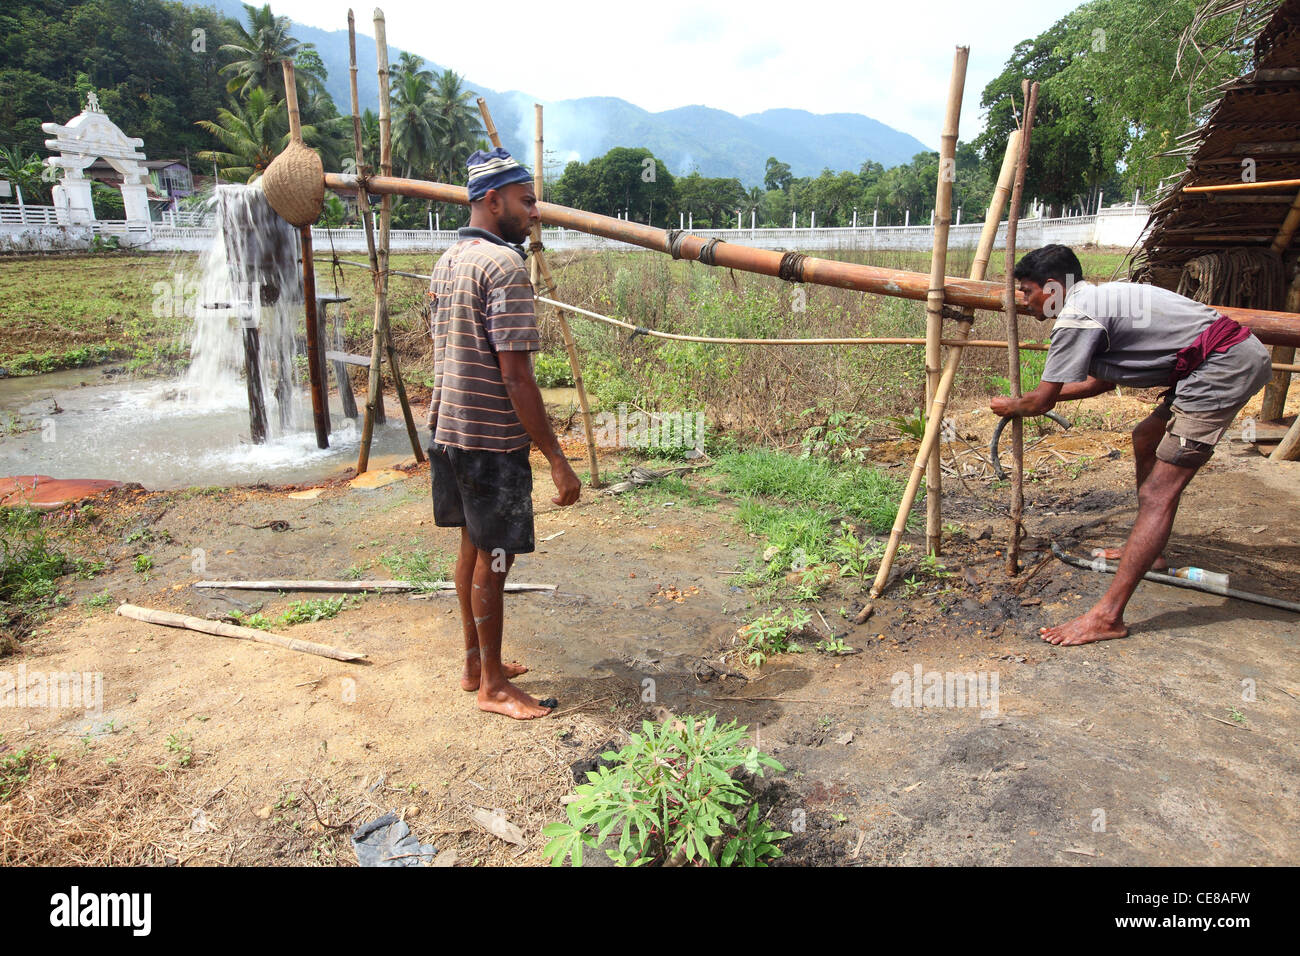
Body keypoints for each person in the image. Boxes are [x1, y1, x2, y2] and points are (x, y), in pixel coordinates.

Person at [989, 244, 1272, 646]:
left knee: (1161, 491)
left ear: (1052, 288)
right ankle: (1148, 551)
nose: (1023, 301)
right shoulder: (1097, 298)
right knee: (1146, 436)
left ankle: (1108, 617)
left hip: (1223, 366)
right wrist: (1029, 403)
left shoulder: (1078, 315)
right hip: (1211, 362)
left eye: (1026, 291)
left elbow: (1042, 401)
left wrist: (1013, 405)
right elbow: (1099, 383)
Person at [427, 147, 581, 719]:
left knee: (472, 545)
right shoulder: (505, 268)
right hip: (491, 438)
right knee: (494, 557)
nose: (535, 211)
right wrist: (557, 460)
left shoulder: (450, 260)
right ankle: (492, 687)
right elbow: (516, 378)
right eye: (527, 200)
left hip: (450, 428)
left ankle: (475, 664)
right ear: (494, 201)